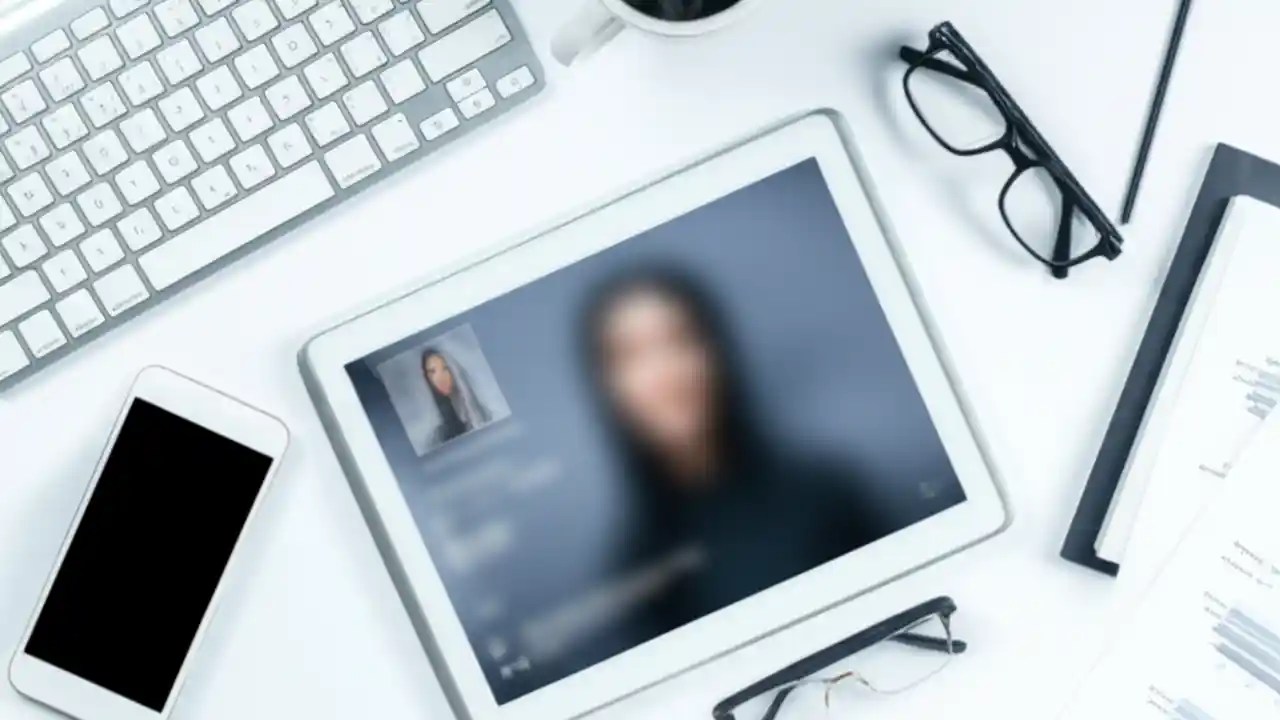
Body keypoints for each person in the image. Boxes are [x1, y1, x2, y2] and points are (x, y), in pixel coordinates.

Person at [583, 268, 902, 630]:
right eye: (632, 354)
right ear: (607, 387)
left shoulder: (827, 498)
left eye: (679, 339)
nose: (665, 372)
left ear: (716, 352)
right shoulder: (633, 574)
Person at [421, 348, 492, 448]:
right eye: (432, 372)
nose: (440, 378)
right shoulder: (437, 436)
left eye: (445, 368)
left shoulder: (482, 414)